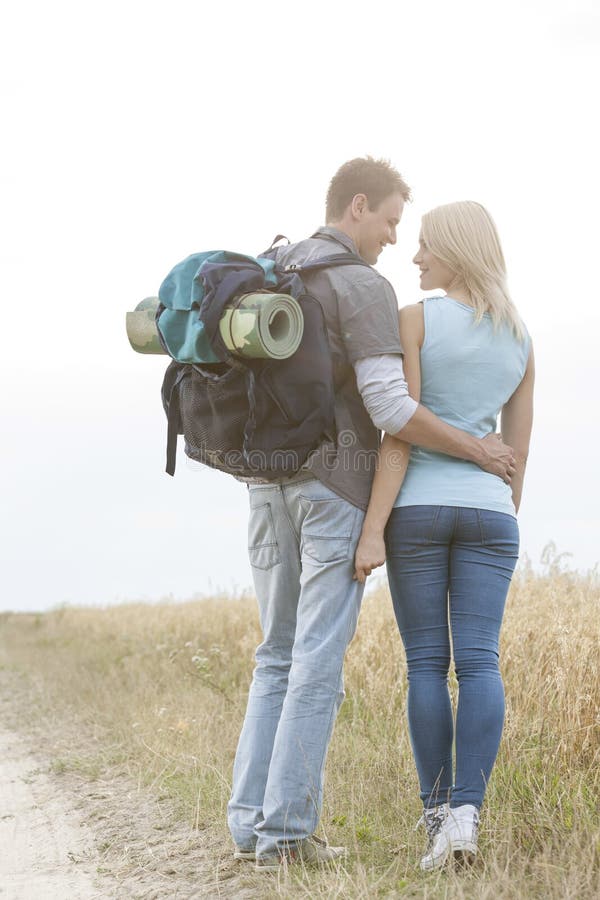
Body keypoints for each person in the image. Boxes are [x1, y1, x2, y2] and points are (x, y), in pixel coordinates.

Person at [227, 160, 517, 871]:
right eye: (390, 221)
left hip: (264, 484)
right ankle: (285, 835)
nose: (393, 239)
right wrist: (477, 449)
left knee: (275, 655)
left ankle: (248, 825)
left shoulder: (275, 266)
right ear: (357, 206)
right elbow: (389, 406)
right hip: (331, 488)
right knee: (315, 662)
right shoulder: (362, 286)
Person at [354, 200, 534, 870]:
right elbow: (517, 451)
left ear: (456, 250)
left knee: (427, 664)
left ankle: (436, 815)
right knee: (481, 662)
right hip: (492, 515)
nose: (417, 256)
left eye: (427, 244)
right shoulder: (520, 336)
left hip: (419, 512)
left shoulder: (416, 319)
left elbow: (400, 430)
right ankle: (465, 817)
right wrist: (502, 512)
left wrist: (373, 530)